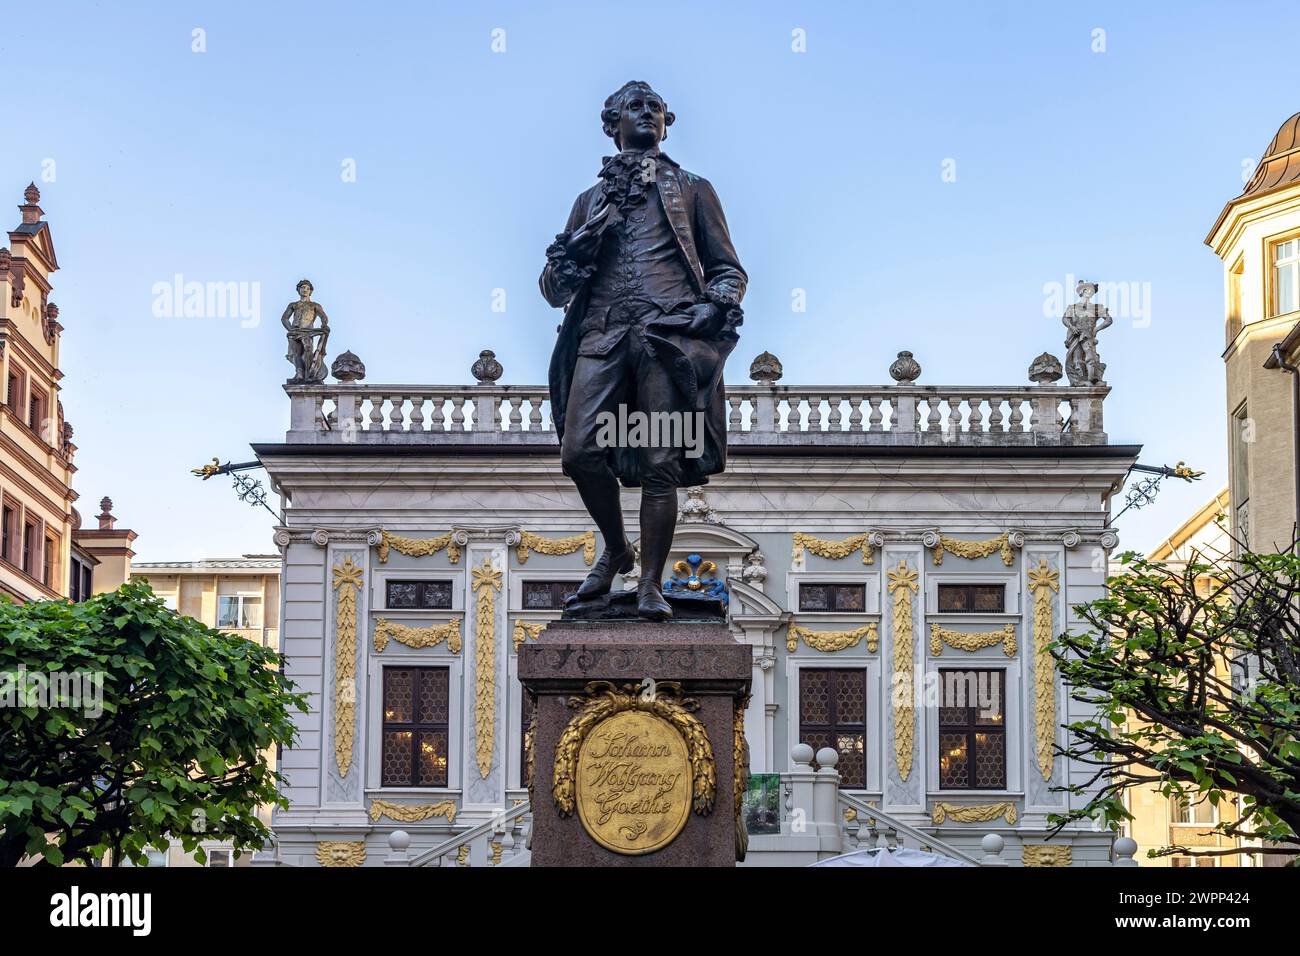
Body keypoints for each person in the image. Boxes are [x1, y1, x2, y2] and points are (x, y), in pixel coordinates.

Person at [540, 81, 746, 620]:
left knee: (661, 461)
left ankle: (651, 582)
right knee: (579, 450)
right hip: (602, 335)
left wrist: (712, 307)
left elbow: (728, 270)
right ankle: (615, 546)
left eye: (655, 108)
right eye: (635, 107)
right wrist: (571, 257)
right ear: (612, 123)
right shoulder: (588, 202)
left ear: (666, 122)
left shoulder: (694, 188)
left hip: (664, 338)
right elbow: (554, 289)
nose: (647, 115)